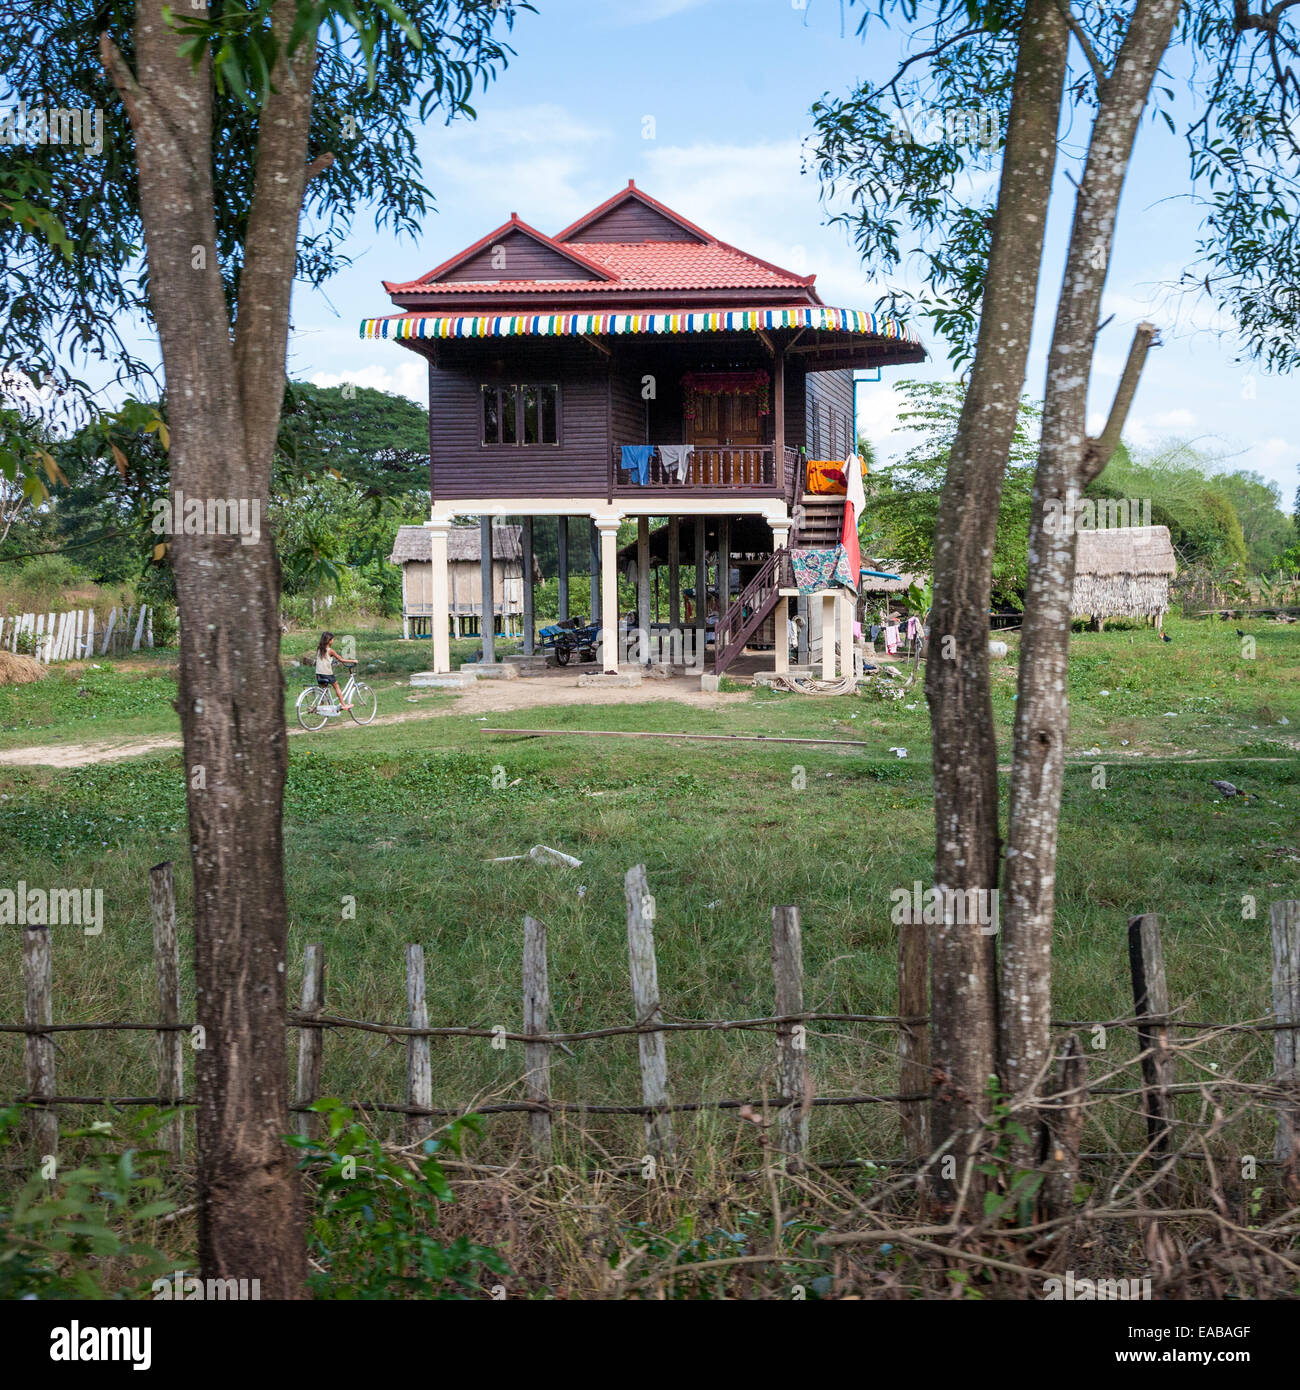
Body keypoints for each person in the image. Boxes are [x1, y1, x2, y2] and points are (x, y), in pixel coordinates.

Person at [315, 631, 355, 712]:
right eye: (333, 639)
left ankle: (320, 706)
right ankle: (343, 705)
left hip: (318, 673)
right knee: (336, 686)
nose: (333, 641)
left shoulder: (319, 649)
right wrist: (353, 660)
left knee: (324, 690)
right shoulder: (330, 650)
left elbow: (324, 660)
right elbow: (341, 659)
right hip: (327, 673)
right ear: (329, 640)